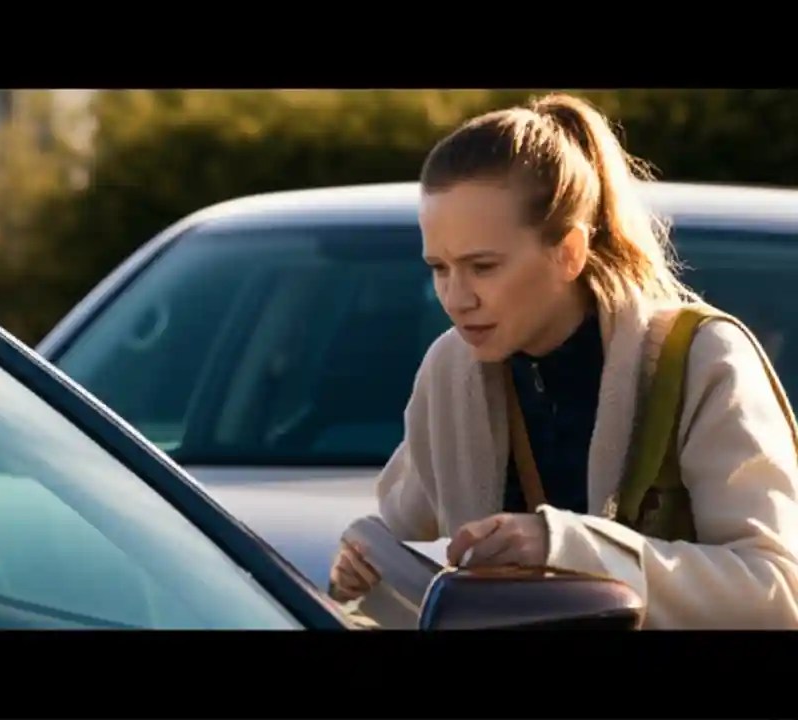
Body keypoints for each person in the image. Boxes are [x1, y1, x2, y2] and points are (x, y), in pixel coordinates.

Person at [329, 92, 798, 629]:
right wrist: (361, 576)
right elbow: (408, 561)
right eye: (439, 267)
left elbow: (777, 593)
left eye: (483, 266)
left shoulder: (701, 360)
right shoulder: (449, 371)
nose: (455, 298)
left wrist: (563, 546)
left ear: (569, 252)